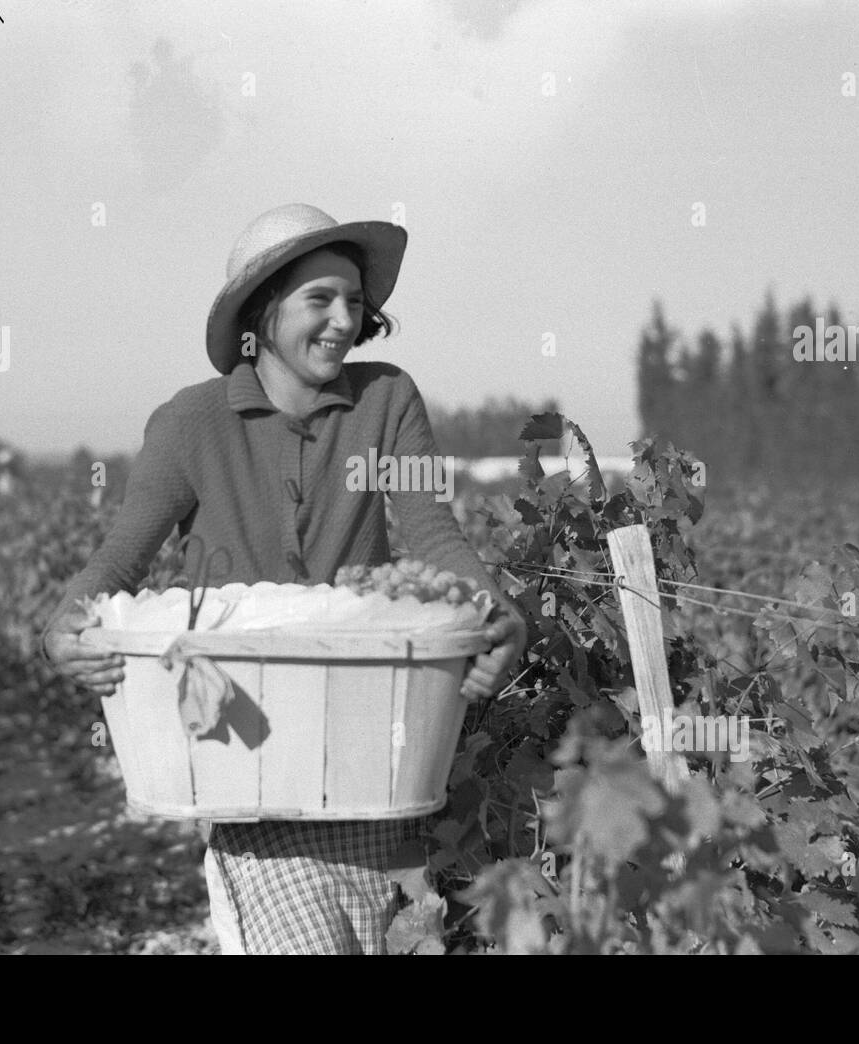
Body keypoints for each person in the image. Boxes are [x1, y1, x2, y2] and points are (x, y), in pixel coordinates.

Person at [40, 203, 528, 954]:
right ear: (261, 312)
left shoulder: (388, 400)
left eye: (356, 303)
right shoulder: (192, 424)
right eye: (319, 299)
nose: (343, 320)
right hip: (250, 767)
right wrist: (65, 627)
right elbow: (119, 559)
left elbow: (434, 535)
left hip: (376, 753)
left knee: (388, 934)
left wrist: (502, 620)